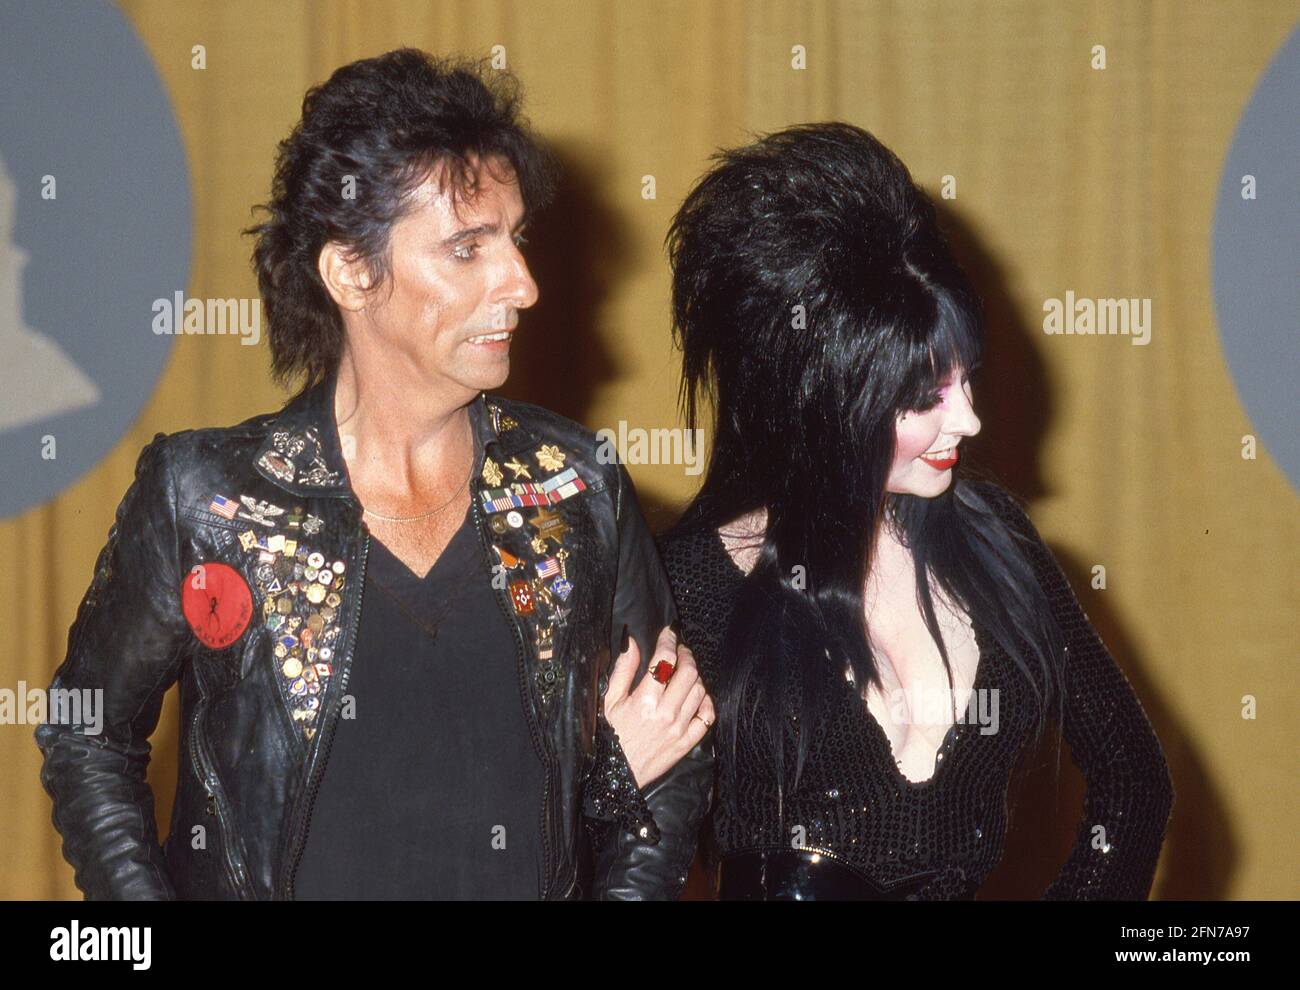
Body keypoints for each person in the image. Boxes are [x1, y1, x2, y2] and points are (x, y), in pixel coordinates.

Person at [34, 49, 713, 901]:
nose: (525, 284)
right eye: (469, 249)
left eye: (516, 239)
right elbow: (84, 731)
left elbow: (672, 758)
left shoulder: (579, 486)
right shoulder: (206, 496)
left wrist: (612, 793)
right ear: (351, 273)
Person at [657, 122, 1173, 900]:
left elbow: (1135, 781)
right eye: (923, 397)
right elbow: (614, 837)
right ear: (824, 403)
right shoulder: (691, 583)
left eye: (967, 379)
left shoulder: (1000, 540)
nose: (967, 420)